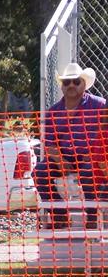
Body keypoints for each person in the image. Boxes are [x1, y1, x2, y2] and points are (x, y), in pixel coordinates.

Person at [34, 63, 107, 229]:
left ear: (83, 84)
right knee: (39, 172)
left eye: (76, 81)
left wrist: (96, 153)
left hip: (91, 156)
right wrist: (60, 160)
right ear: (62, 86)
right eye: (67, 82)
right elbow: (50, 143)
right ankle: (59, 216)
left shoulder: (99, 105)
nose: (71, 85)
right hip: (64, 156)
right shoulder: (53, 111)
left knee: (89, 171)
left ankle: (92, 215)